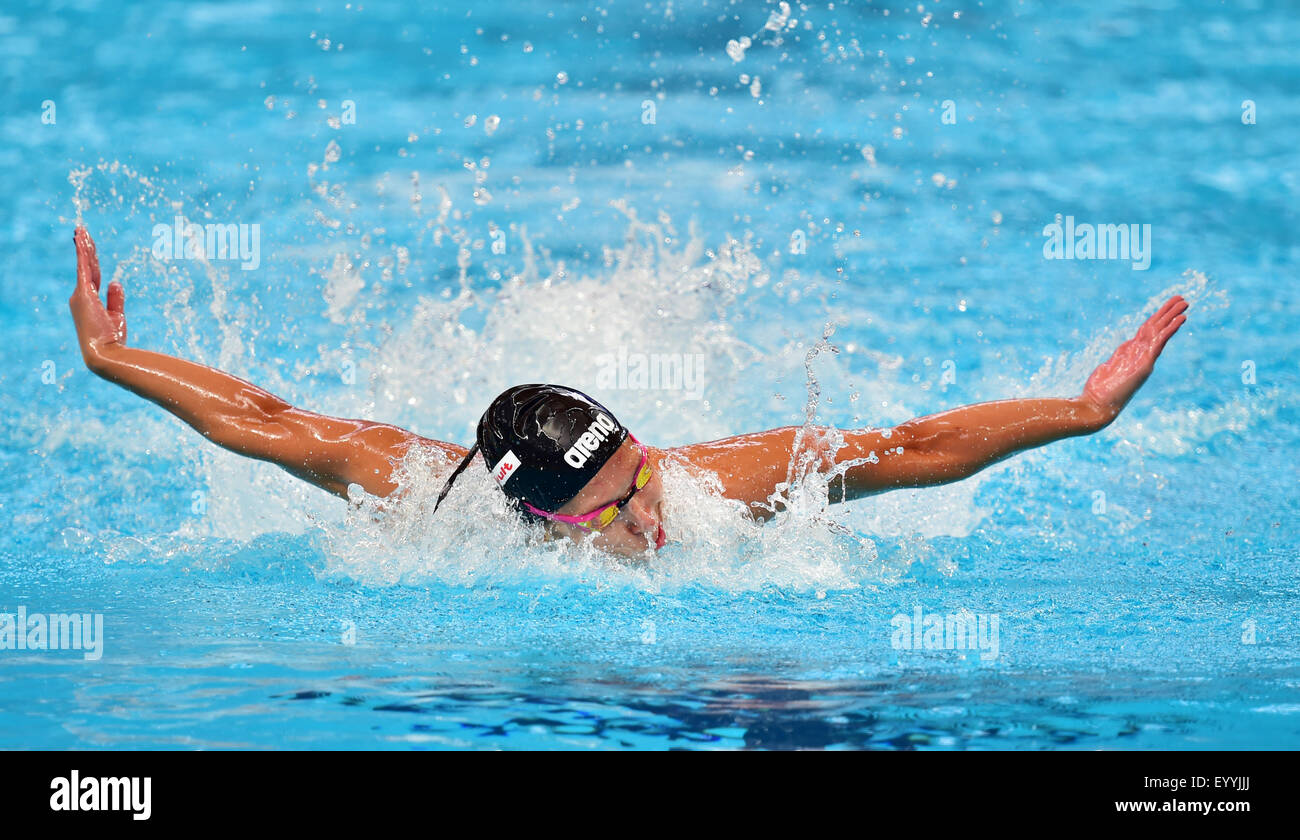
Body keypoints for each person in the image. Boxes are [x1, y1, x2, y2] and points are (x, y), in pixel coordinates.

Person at [69, 227, 1189, 558]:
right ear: (536, 514)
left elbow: (909, 444)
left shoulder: (702, 491)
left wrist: (1080, 411)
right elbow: (264, 423)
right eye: (614, 508)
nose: (654, 518)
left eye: (639, 475)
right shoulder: (423, 501)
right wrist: (114, 362)